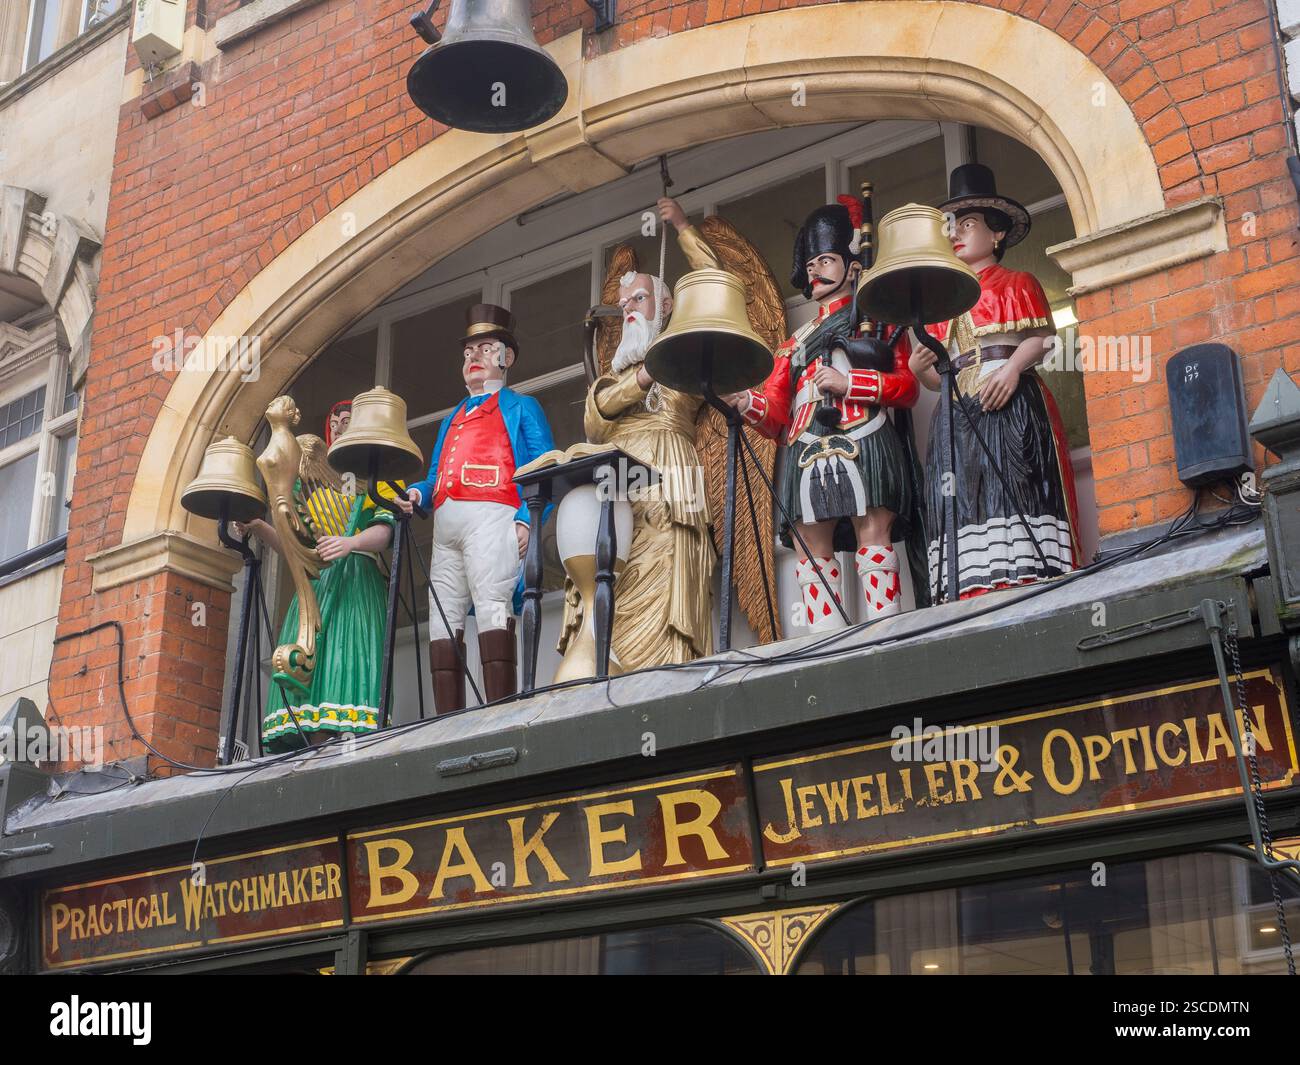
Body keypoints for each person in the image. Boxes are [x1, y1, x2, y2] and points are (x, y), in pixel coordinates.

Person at [725, 198, 920, 629]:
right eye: (811, 263)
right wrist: (746, 402)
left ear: (853, 266)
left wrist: (849, 384)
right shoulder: (795, 343)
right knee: (810, 547)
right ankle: (824, 638)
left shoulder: (878, 321)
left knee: (874, 533)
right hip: (805, 443)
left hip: (864, 434)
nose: (815, 270)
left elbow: (906, 387)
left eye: (826, 260)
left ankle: (886, 628)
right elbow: (776, 414)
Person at [909, 163, 1080, 602]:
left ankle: (1022, 576)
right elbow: (935, 380)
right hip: (957, 416)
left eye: (967, 224)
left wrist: (1010, 368)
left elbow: (1043, 339)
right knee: (965, 492)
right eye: (951, 226)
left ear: (997, 234)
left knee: (1013, 482)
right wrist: (918, 369)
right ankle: (969, 584)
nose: (955, 234)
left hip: (1009, 403)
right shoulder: (943, 305)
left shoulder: (1016, 282)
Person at [573, 197, 721, 669]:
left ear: (667, 305)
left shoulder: (681, 351)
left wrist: (680, 226)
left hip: (673, 473)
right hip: (617, 480)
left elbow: (714, 283)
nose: (628, 309)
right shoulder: (615, 376)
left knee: (672, 564)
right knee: (610, 571)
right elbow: (595, 421)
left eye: (638, 299)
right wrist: (639, 382)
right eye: (623, 304)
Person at [396, 305, 555, 712]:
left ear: (506, 357)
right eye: (469, 352)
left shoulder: (521, 407)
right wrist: (417, 494)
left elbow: (544, 469)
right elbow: (435, 475)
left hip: (493, 515)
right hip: (447, 526)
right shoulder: (453, 417)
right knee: (442, 616)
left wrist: (527, 518)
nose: (474, 359)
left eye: (485, 349)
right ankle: (447, 718)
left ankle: (499, 709)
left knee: (492, 606)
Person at [240, 401, 395, 750]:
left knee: (346, 656)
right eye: (335, 421)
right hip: (316, 583)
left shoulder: (379, 476)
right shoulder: (312, 483)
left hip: (356, 578)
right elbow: (295, 547)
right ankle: (314, 742)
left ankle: (344, 737)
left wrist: (351, 542)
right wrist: (261, 525)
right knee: (315, 660)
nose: (341, 426)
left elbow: (386, 532)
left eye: (349, 421)